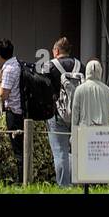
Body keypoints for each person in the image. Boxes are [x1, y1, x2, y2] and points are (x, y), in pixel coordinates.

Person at [45, 36, 84, 188]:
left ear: (56, 50)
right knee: (75, 152)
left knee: (60, 152)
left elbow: (43, 89)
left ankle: (64, 186)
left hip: (56, 114)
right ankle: (76, 185)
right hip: (77, 115)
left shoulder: (49, 66)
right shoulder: (80, 65)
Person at [0, 38, 24, 180]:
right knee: (20, 147)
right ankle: (22, 177)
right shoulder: (16, 64)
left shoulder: (8, 69)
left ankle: (21, 179)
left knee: (17, 149)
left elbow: (3, 95)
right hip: (20, 112)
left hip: (14, 113)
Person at [70, 60, 109, 127]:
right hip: (103, 132)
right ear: (100, 72)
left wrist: (74, 134)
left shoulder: (79, 89)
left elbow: (75, 115)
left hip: (85, 131)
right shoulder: (108, 90)